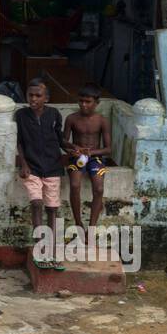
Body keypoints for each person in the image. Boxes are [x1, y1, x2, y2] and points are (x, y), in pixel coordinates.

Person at [14, 77, 67, 270]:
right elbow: (19, 141)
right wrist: (23, 163)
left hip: (52, 167)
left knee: (52, 209)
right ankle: (39, 248)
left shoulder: (54, 114)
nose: (33, 99)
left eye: (38, 95)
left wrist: (73, 149)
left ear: (46, 98)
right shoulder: (21, 115)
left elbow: (59, 140)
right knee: (36, 203)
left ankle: (51, 251)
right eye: (30, 95)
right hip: (32, 167)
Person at [64, 83, 112, 244]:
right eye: (81, 101)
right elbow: (64, 142)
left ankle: (91, 227)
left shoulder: (102, 121)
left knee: (98, 188)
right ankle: (78, 224)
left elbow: (109, 148)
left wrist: (91, 152)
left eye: (88, 101)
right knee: (75, 185)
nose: (83, 105)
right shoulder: (71, 119)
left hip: (94, 157)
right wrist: (73, 148)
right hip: (77, 157)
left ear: (96, 102)